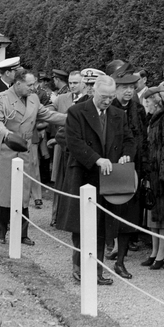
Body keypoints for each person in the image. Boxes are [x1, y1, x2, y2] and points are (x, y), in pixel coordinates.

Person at [58, 75, 137, 286]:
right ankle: (79, 266)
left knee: (102, 225)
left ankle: (97, 270)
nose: (108, 101)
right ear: (93, 92)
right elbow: (73, 142)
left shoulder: (119, 114)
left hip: (108, 177)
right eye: (104, 96)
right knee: (81, 224)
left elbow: (129, 140)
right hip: (84, 174)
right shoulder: (77, 112)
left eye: (111, 97)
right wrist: (96, 159)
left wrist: (126, 155)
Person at [0, 68, 66, 245]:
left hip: (25, 148)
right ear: (17, 83)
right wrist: (6, 135)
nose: (33, 88)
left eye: (34, 84)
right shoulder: (1, 98)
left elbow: (47, 115)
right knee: (2, 193)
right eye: (29, 85)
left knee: (23, 194)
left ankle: (21, 234)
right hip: (5, 147)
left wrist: (72, 118)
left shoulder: (33, 99)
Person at [104, 63, 147, 278]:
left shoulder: (138, 110)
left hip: (131, 170)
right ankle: (97, 261)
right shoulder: (106, 108)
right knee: (105, 217)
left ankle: (120, 261)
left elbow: (142, 141)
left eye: (132, 86)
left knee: (128, 219)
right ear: (115, 88)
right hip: (107, 169)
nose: (128, 91)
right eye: (123, 87)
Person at [139, 85, 164, 269]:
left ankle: (162, 255)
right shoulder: (152, 120)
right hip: (153, 172)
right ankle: (154, 252)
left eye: (147, 101)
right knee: (153, 215)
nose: (145, 104)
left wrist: (162, 171)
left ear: (155, 101)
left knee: (163, 216)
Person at [48, 70, 84, 227]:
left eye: (76, 83)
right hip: (60, 145)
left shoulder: (87, 100)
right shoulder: (62, 98)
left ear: (82, 83)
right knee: (59, 180)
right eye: (70, 83)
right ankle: (56, 215)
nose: (73, 86)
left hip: (77, 147)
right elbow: (48, 110)